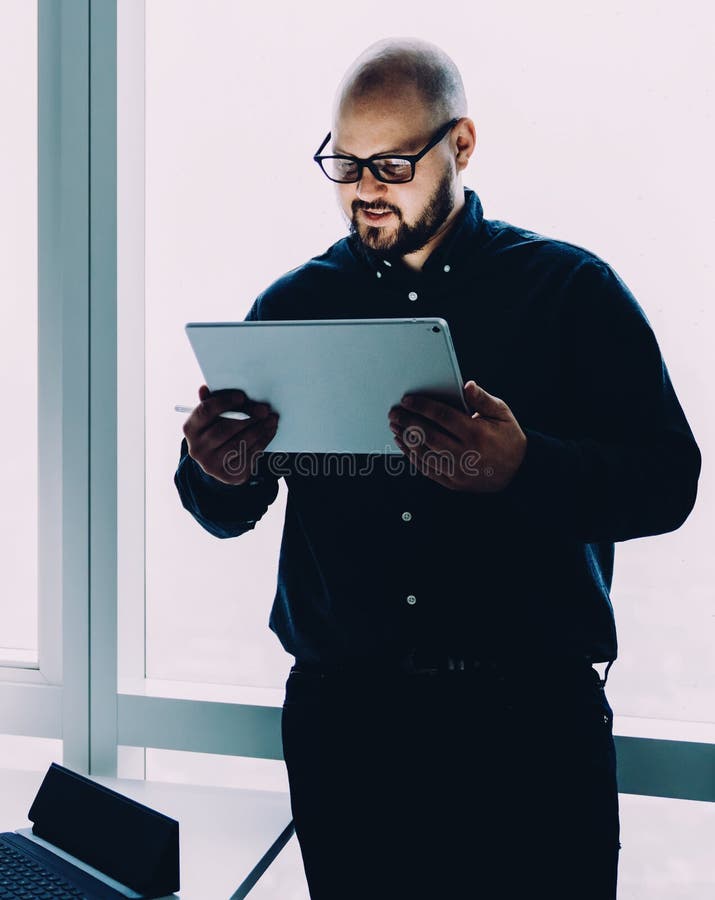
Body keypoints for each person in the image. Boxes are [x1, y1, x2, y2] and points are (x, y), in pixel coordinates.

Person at [174, 37, 701, 900]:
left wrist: (525, 468)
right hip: (346, 728)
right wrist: (217, 473)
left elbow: (668, 482)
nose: (362, 189)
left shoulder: (569, 293)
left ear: (459, 146)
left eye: (388, 162)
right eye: (342, 163)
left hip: (530, 726)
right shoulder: (292, 308)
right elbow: (226, 510)